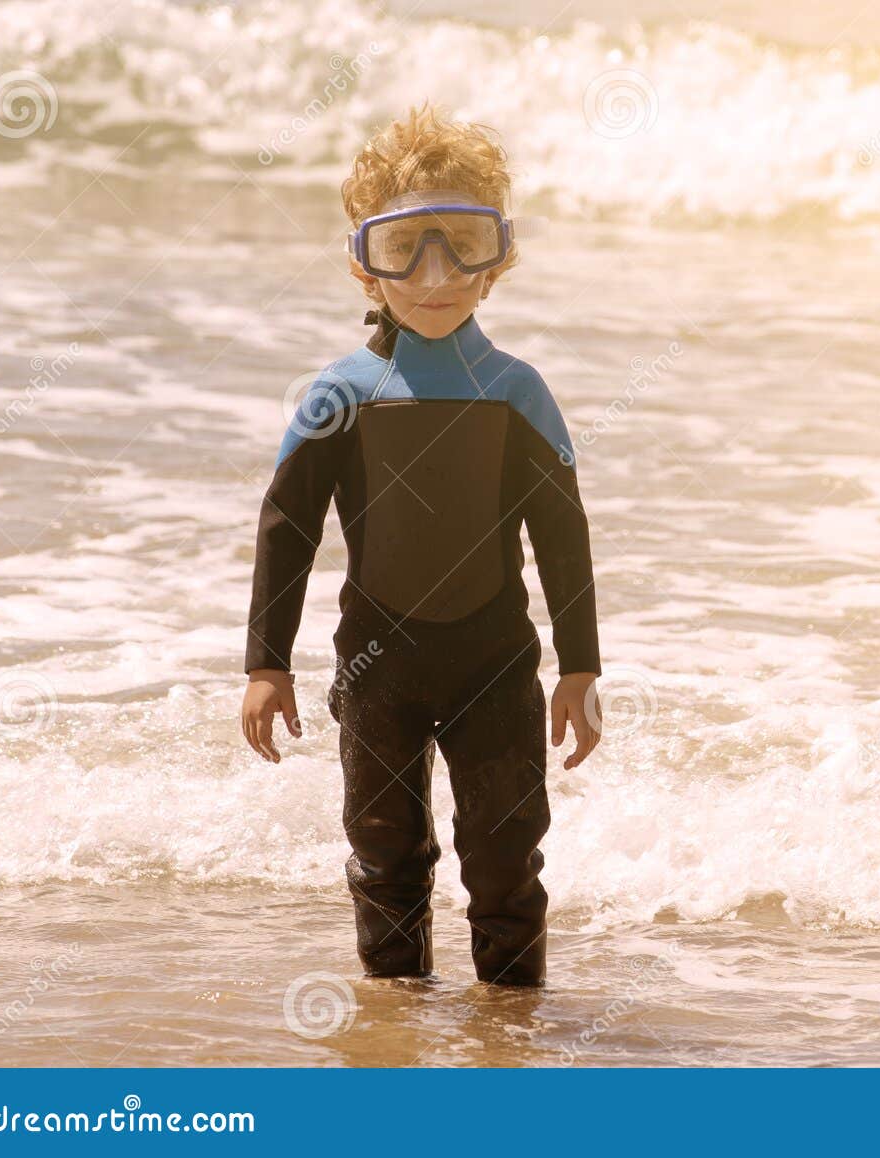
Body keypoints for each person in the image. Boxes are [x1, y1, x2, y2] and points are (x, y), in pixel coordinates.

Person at [239, 105, 602, 987]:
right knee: (385, 858)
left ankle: (510, 1033)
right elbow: (287, 527)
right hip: (377, 666)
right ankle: (391, 1031)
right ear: (367, 263)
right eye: (406, 249)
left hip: (496, 663)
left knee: (507, 860)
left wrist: (580, 668)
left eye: (463, 245)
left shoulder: (519, 392)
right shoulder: (342, 394)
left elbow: (562, 534)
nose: (435, 275)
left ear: (497, 259)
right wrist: (266, 663)